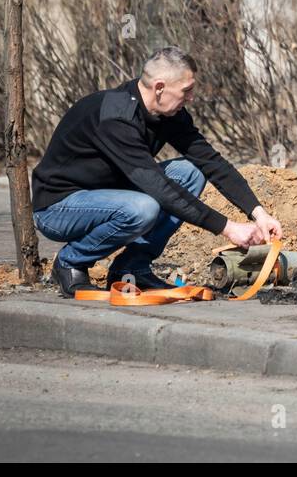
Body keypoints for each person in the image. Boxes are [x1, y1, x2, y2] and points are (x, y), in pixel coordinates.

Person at [31, 46, 282, 297]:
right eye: (186, 90)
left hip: (110, 195)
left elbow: (210, 161)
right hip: (59, 207)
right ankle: (71, 262)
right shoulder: (117, 118)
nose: (191, 97)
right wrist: (227, 228)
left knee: (190, 172)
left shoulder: (169, 113)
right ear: (159, 87)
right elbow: (158, 188)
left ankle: (131, 267)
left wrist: (258, 213)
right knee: (143, 208)